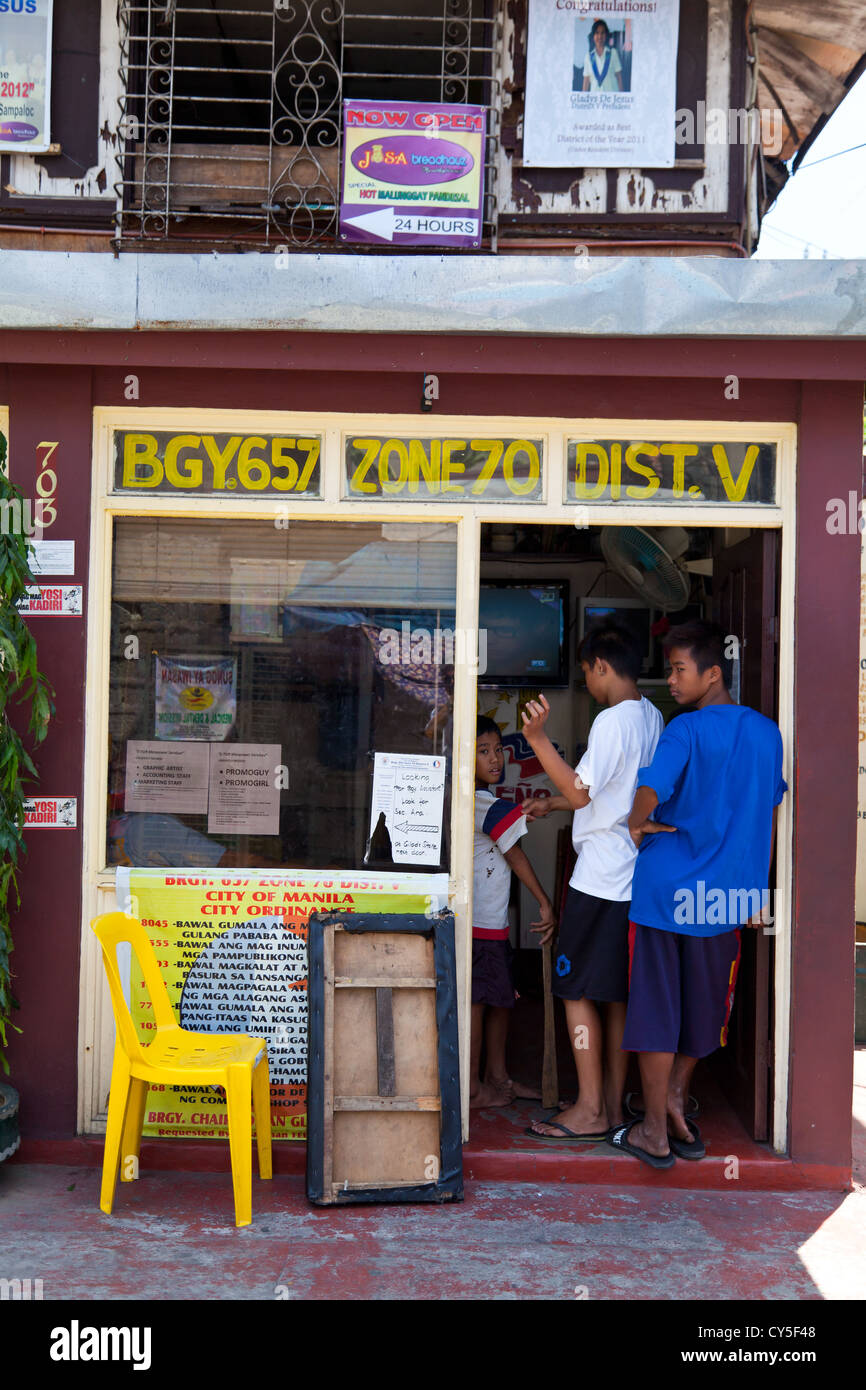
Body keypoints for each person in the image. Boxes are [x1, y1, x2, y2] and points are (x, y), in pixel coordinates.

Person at [610, 620, 786, 1168]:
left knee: (658, 1010)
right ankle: (676, 1097)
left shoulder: (684, 730)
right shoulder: (767, 733)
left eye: (679, 668)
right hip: (729, 897)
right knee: (707, 1008)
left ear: (713, 673)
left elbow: (648, 793)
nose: (670, 678)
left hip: (666, 894)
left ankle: (655, 1131)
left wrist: (640, 823)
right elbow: (768, 803)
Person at [519, 622, 663, 1141]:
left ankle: (588, 1109)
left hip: (599, 879)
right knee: (615, 995)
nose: (587, 683)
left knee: (574, 990)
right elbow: (611, 793)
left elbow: (583, 793)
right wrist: (553, 801)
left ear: (602, 666)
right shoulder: (652, 716)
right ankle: (614, 1105)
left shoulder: (610, 721)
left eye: (586, 673)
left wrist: (535, 740)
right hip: (633, 880)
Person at [471, 714, 555, 1107]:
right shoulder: (484, 805)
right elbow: (515, 854)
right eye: (483, 750)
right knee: (479, 1004)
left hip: (491, 924)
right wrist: (543, 900)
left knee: (500, 999)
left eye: (497, 750)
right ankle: (472, 1088)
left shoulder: (482, 803)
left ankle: (498, 1079)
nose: (494, 759)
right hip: (480, 927)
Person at [581, 19, 623, 93]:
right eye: (597, 33)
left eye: (602, 33)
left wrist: (622, 98)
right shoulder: (588, 57)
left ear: (606, 35)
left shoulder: (613, 53)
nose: (600, 36)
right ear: (593, 36)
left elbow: (619, 78)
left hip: (612, 97)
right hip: (595, 99)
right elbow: (586, 81)